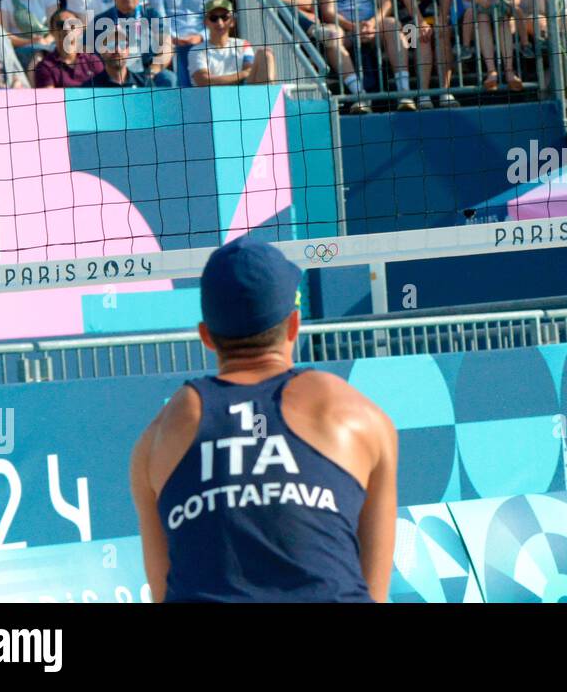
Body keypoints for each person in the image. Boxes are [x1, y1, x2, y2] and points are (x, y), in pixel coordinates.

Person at [130, 236, 397, 602]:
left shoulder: (158, 437)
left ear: (206, 336)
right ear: (293, 325)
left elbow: (163, 592)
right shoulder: (357, 416)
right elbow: (376, 593)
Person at [189, 0, 278, 86]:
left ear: (232, 21)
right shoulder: (196, 50)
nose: (220, 23)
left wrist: (243, 74)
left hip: (242, 95)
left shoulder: (243, 44)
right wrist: (243, 74)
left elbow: (250, 72)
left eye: (224, 17)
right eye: (213, 18)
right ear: (205, 22)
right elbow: (204, 81)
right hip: (213, 99)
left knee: (265, 54)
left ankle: (270, 98)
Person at [33, 9, 104, 87]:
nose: (67, 29)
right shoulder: (45, 67)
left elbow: (105, 94)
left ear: (80, 31)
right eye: (61, 25)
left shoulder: (93, 61)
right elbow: (49, 98)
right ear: (52, 32)